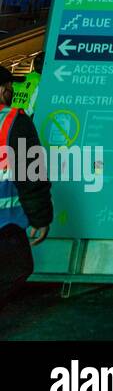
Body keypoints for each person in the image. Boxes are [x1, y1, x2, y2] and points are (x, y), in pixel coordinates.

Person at [0, 67, 52, 312]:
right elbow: (31, 175)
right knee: (19, 267)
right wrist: (41, 218)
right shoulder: (14, 123)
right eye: (9, 86)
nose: (11, 91)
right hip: (4, 225)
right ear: (2, 90)